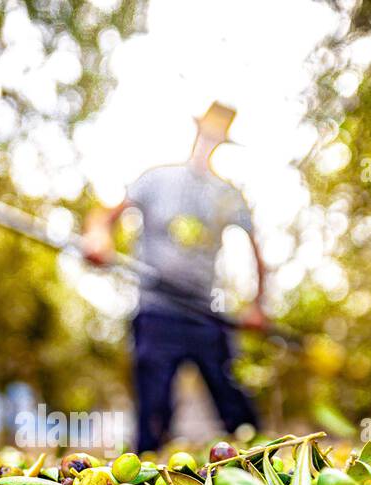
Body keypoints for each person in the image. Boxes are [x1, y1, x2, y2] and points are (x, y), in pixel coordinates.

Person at [83, 102, 267, 452]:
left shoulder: (227, 196)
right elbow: (105, 215)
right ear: (197, 131)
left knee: (239, 411)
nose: (209, 140)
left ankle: (264, 464)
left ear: (223, 142)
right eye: (207, 132)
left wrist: (258, 306)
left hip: (204, 313)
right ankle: (149, 475)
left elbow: (257, 251)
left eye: (217, 136)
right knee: (152, 413)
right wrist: (99, 236)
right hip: (157, 312)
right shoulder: (157, 179)